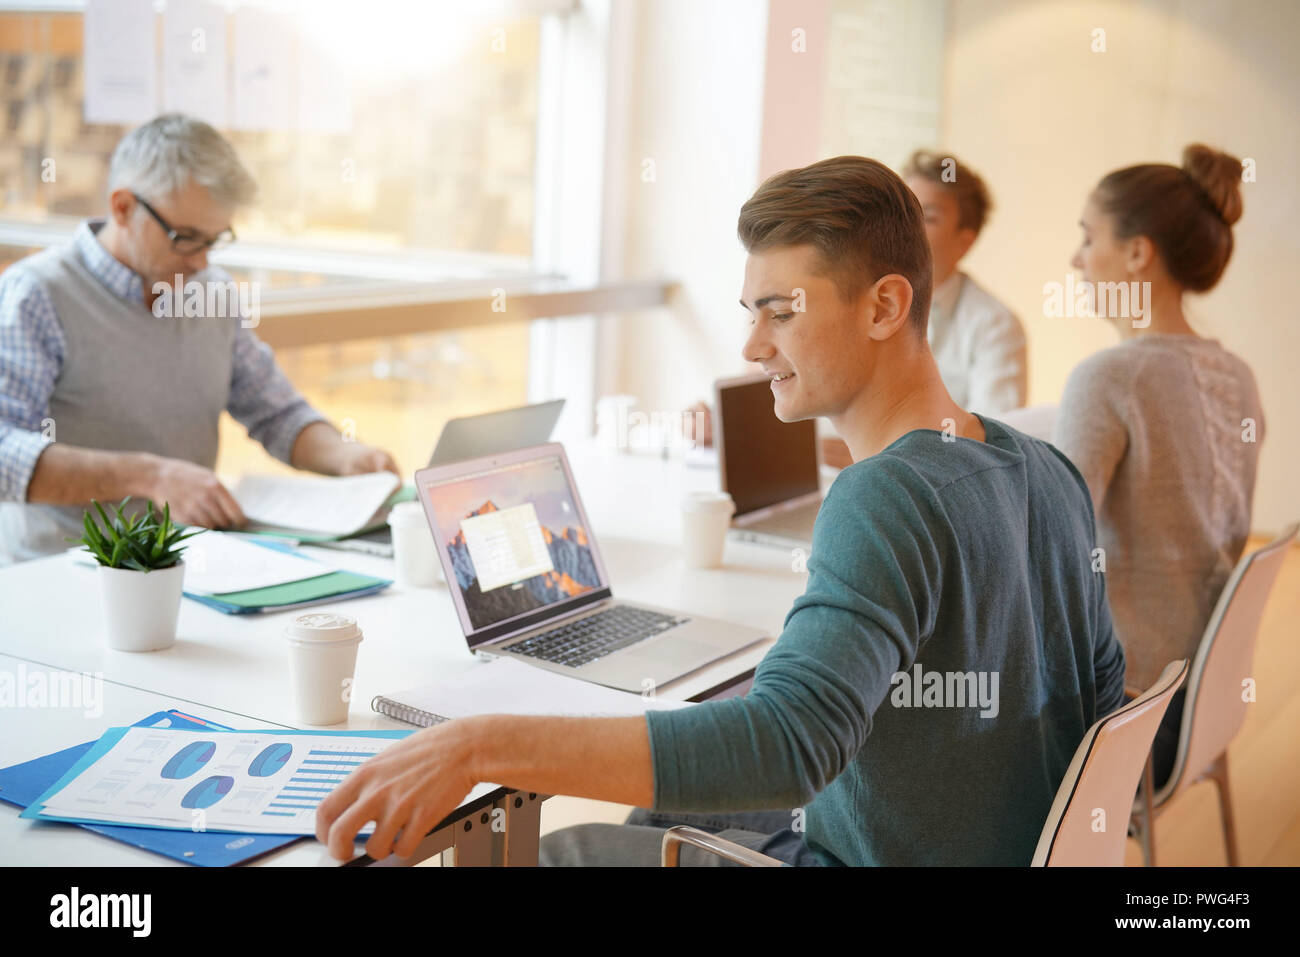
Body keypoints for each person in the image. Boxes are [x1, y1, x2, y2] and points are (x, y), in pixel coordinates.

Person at [314, 156, 1125, 867]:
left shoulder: (886, 495)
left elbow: (791, 745)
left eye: (782, 311)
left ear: (883, 307)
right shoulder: (1045, 467)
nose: (753, 345)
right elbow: (1100, 699)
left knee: (557, 853)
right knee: (664, 807)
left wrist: (479, 743)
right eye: (751, 312)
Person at [0, 114, 397, 564]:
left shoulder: (211, 290)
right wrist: (148, 476)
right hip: (67, 572)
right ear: (123, 207)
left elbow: (276, 411)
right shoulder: (37, 293)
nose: (201, 260)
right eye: (185, 238)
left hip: (189, 564)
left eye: (215, 239)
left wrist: (347, 456)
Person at [1052, 144, 1264, 788]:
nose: (1076, 259)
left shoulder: (1110, 376)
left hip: (1125, 724)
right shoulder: (1238, 376)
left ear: (1139, 252)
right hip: (1200, 704)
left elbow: (1047, 551)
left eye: (1088, 238)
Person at [684, 150, 1026, 469]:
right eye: (909, 209)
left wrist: (867, 455)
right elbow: (795, 375)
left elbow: (986, 451)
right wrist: (732, 428)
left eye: (783, 314)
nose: (909, 227)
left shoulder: (992, 323)